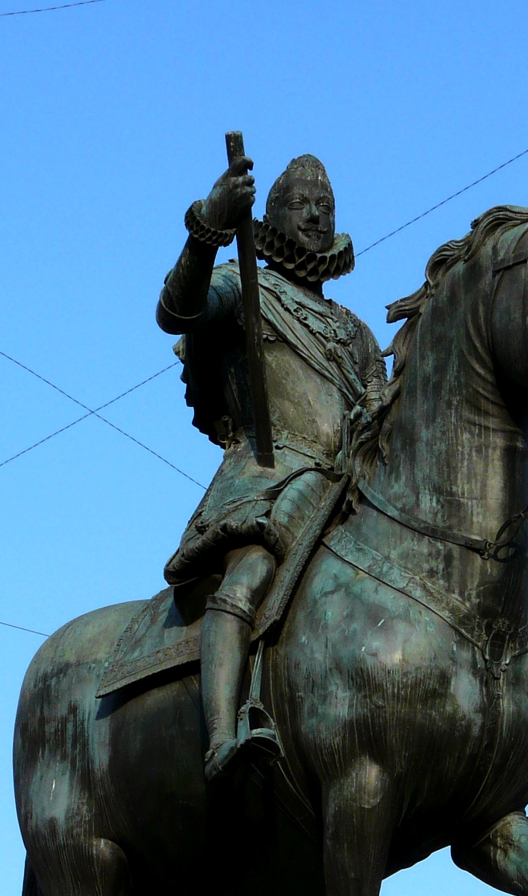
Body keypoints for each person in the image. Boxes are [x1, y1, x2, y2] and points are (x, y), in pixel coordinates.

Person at [158, 153, 386, 781]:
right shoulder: (242, 286)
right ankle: (220, 736)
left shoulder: (357, 333)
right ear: (273, 214)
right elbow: (177, 309)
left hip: (347, 495)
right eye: (300, 203)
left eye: (326, 205)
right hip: (268, 482)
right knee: (251, 572)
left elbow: (382, 412)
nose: (315, 214)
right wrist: (208, 227)